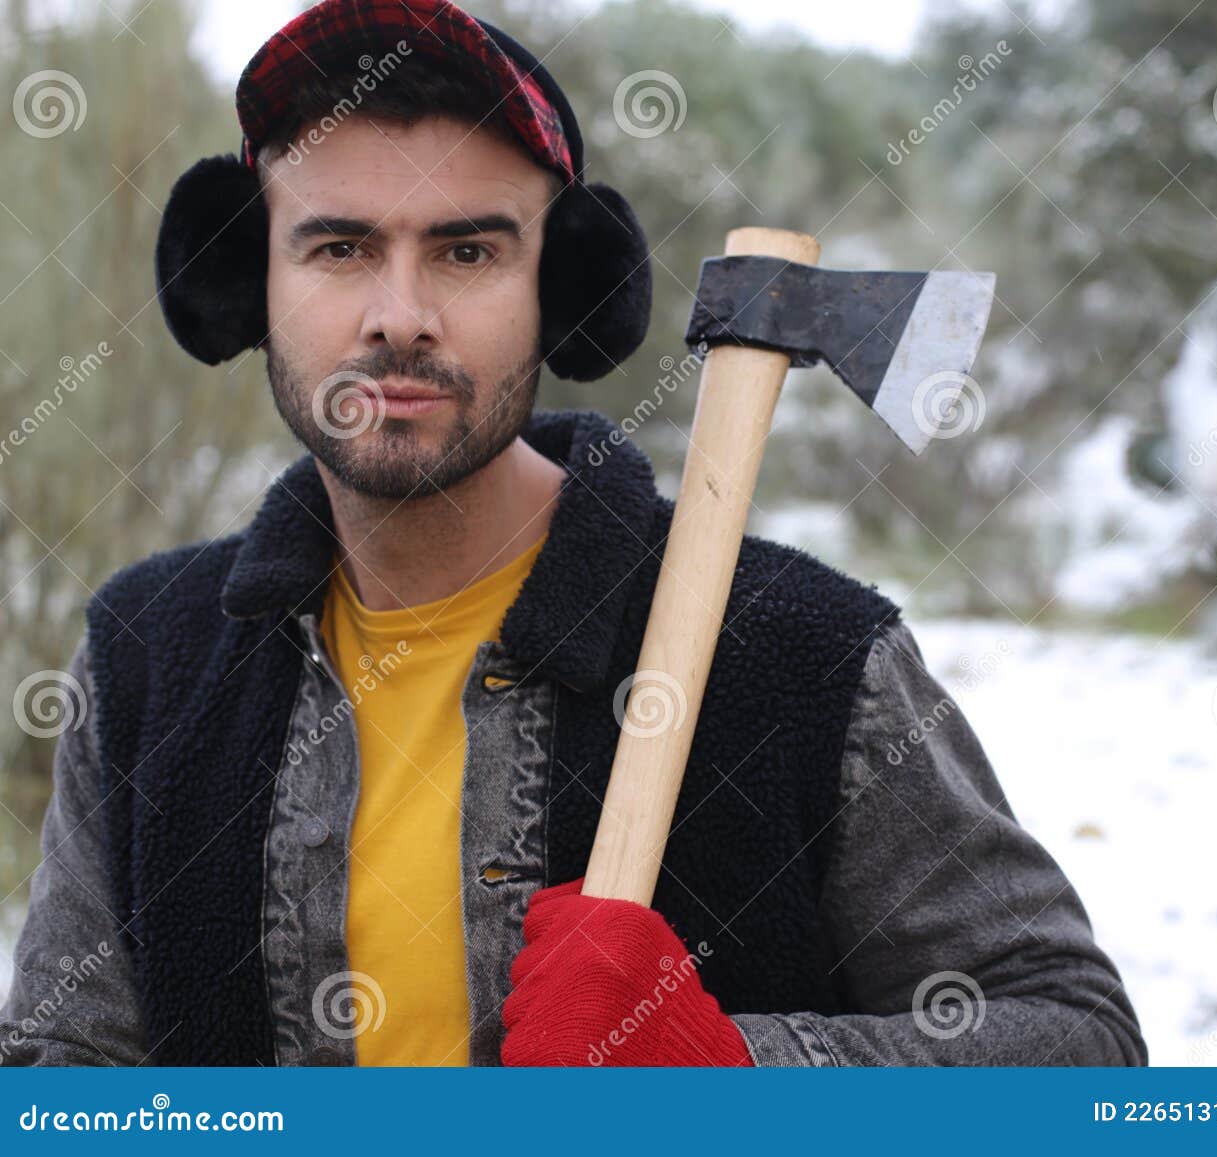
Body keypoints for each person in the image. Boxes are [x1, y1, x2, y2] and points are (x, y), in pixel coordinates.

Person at [0, 0, 1146, 1068]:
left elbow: (1079, 1040)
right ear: (242, 283)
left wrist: (731, 1071)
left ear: (568, 289)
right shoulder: (148, 658)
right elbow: (59, 1075)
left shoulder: (808, 657)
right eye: (338, 247)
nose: (400, 315)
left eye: (467, 251)